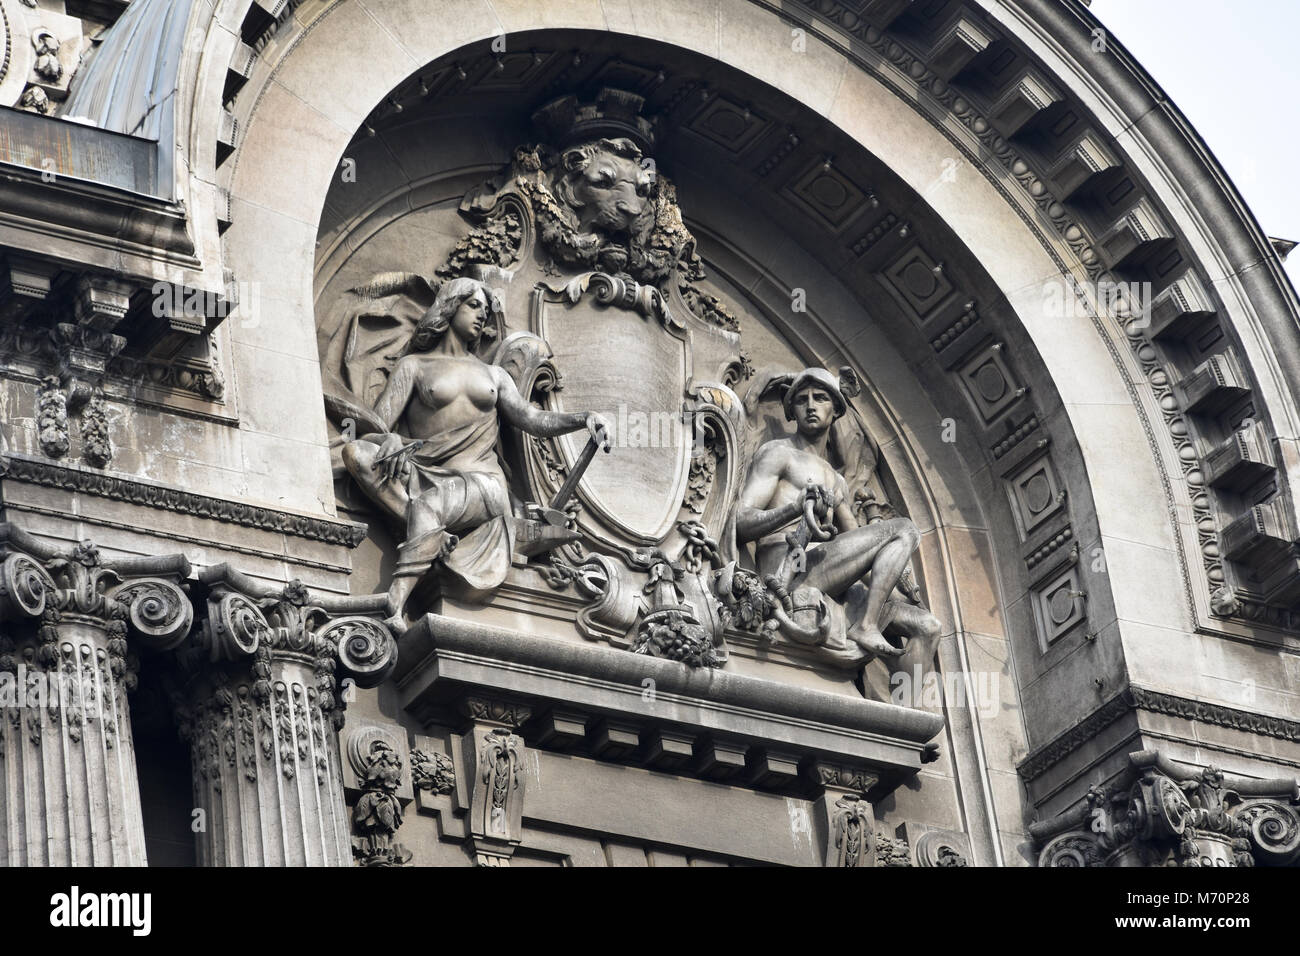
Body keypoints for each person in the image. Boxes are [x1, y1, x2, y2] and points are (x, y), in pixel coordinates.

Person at [342, 277, 608, 622]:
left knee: (430, 505)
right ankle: (433, 535)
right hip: (424, 471)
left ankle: (396, 601)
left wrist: (584, 418)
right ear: (450, 307)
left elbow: (532, 418)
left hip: (482, 480)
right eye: (474, 305)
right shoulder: (414, 367)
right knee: (357, 454)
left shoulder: (494, 376)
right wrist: (386, 439)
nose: (482, 315)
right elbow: (375, 427)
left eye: (486, 308)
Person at [735, 368, 935, 659]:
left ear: (836, 410)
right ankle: (866, 625)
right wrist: (794, 508)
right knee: (903, 528)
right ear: (791, 411)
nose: (811, 406)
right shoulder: (779, 454)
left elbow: (860, 546)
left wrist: (898, 592)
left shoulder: (837, 481)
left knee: (927, 626)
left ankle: (905, 703)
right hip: (787, 566)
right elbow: (741, 520)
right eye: (802, 400)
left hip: (830, 572)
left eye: (820, 398)